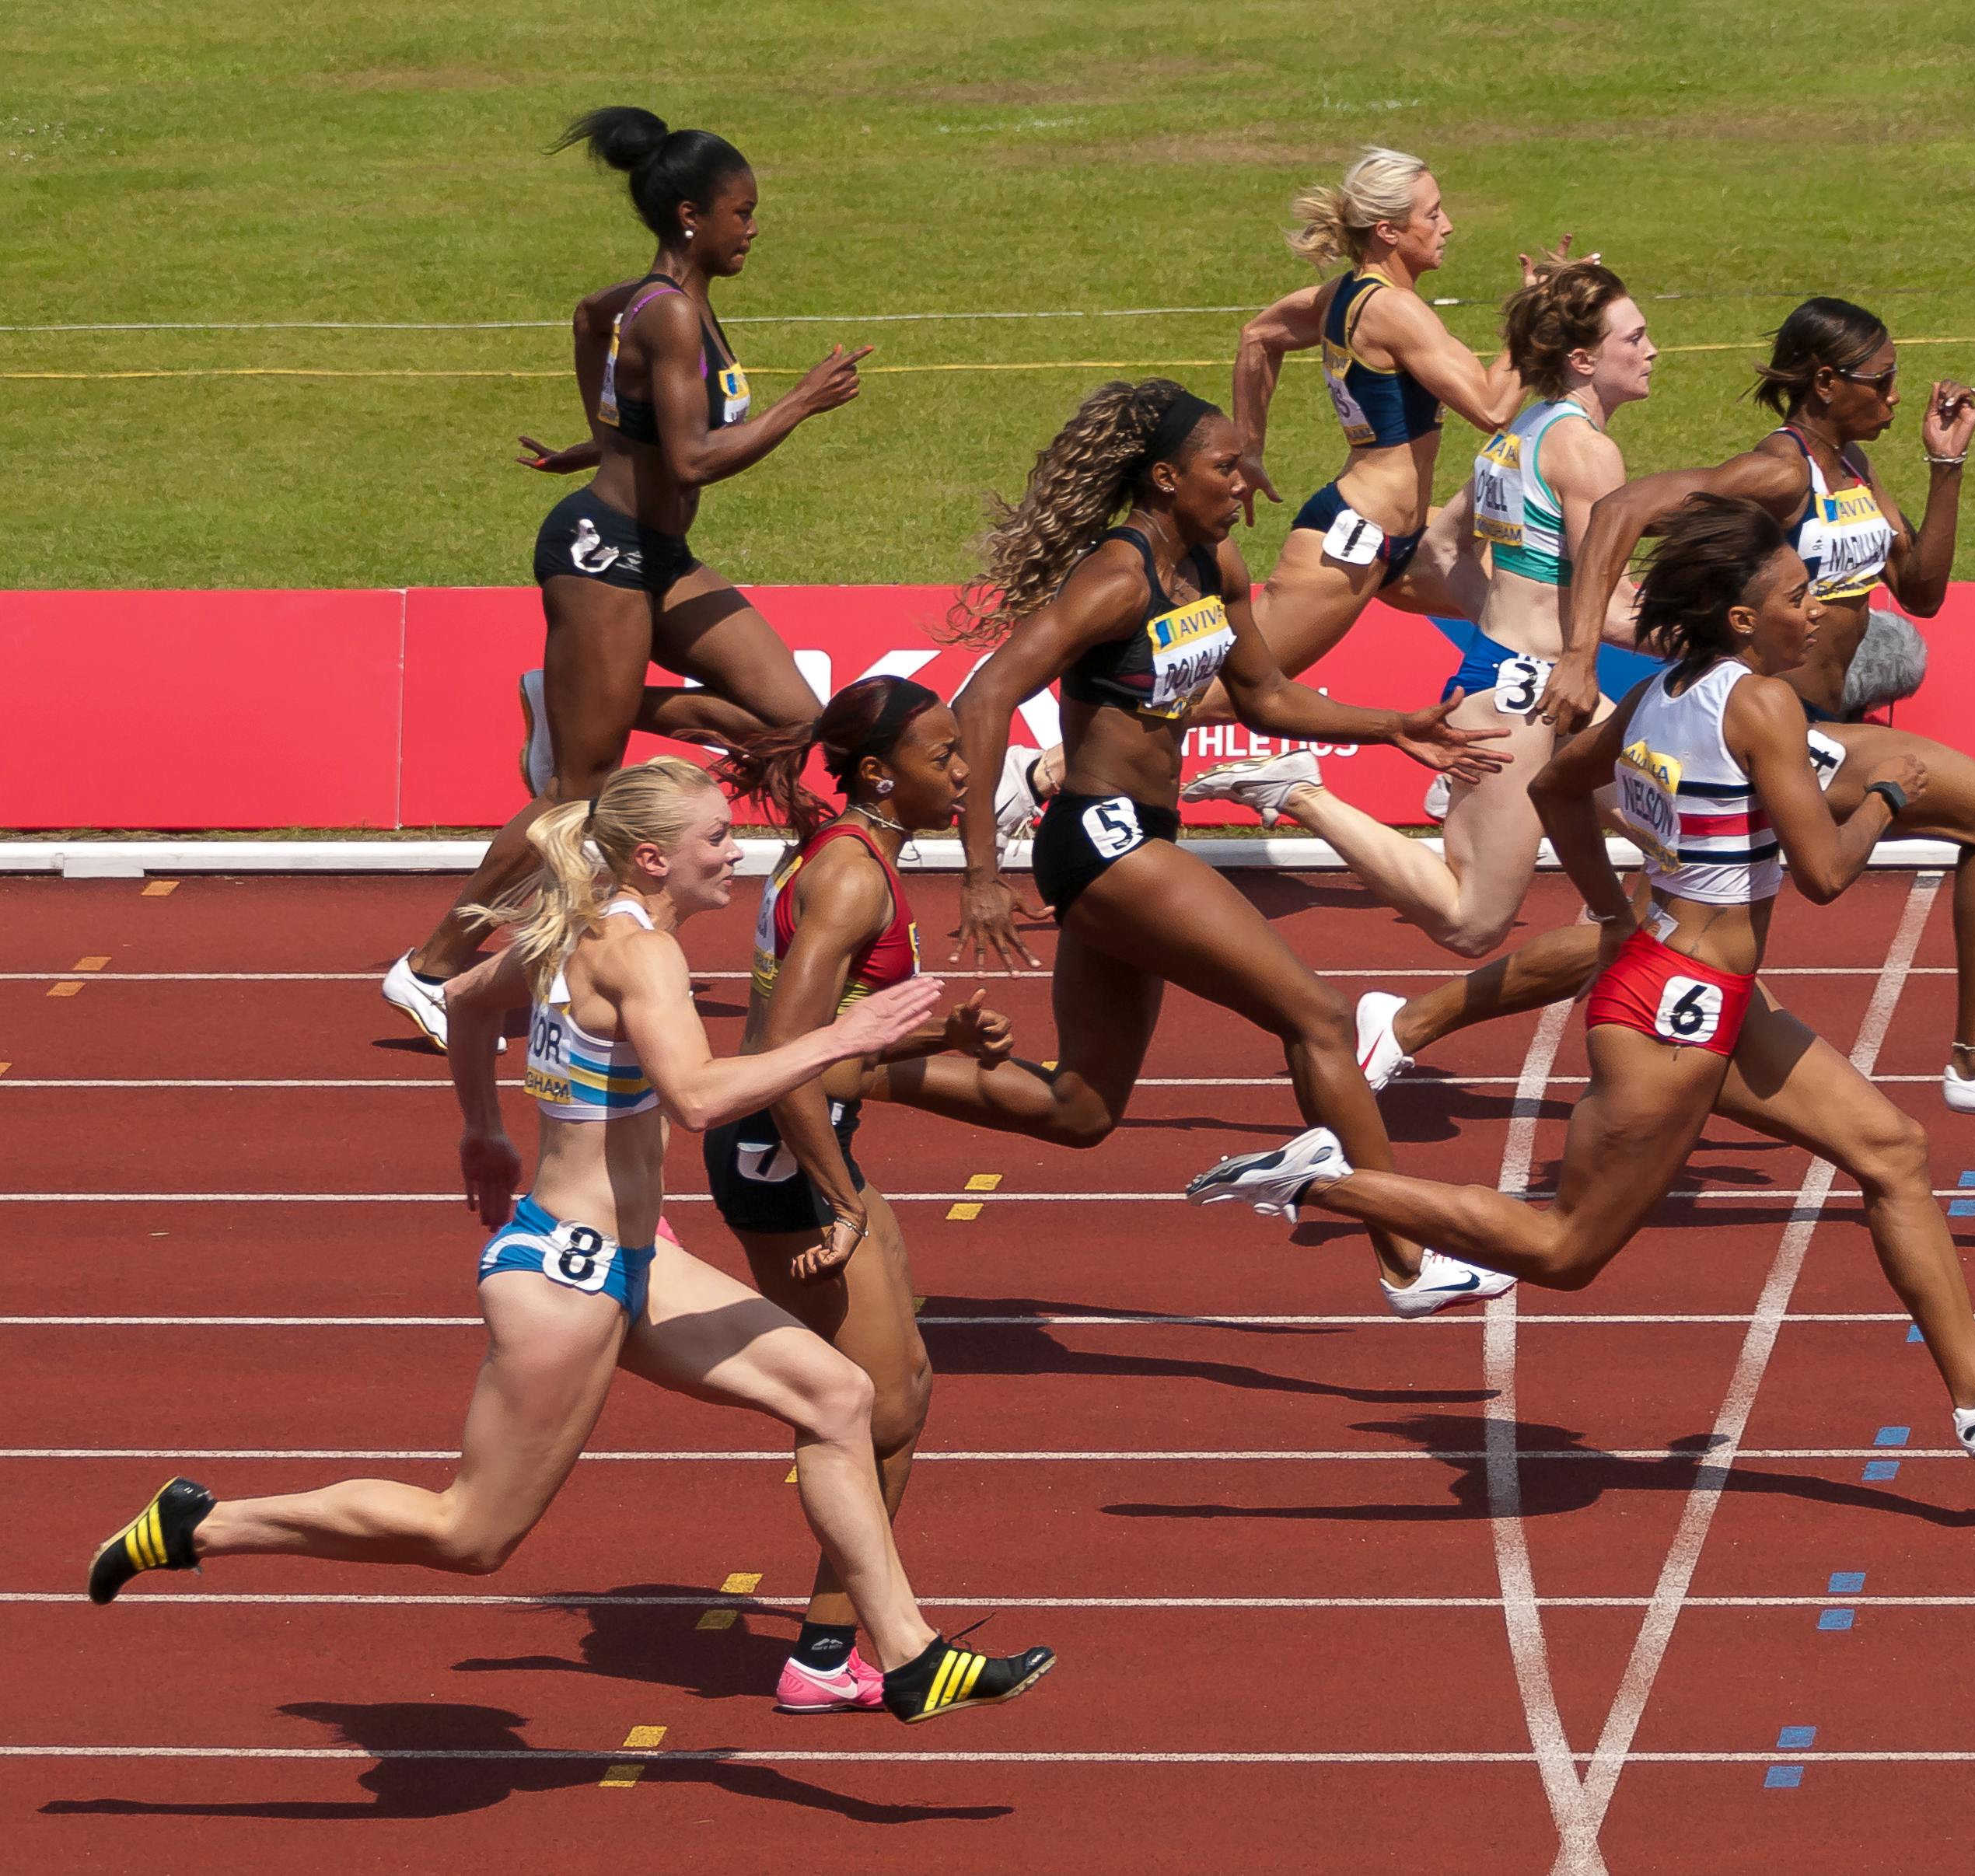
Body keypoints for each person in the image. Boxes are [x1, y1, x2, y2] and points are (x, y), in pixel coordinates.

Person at [95, 760, 1054, 1724]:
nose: (736, 852)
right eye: (715, 838)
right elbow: (697, 1099)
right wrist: (845, 1037)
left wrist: (482, 1129)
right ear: (653, 857)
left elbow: (466, 1000)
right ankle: (202, 1525)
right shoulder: (641, 957)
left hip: (639, 1259)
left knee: (840, 1395)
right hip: (565, 1274)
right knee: (470, 1534)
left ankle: (911, 1655)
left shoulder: (576, 932)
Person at [1189, 497, 1975, 1458]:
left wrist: (1609, 910)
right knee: (1563, 1249)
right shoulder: (1759, 703)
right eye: (1799, 597)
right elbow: (1826, 874)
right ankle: (1327, 1182)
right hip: (1674, 1009)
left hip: (1694, 985)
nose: (1821, 612)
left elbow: (1555, 785)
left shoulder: (1661, 693)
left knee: (1893, 1152)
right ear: (1743, 619)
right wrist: (1887, 796)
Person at [949, 375, 1518, 1318]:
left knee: (1080, 1110)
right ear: (1167, 478)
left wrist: (1390, 726)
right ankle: (1407, 1261)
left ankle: (851, 1070)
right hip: (1099, 839)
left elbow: (1266, 697)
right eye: (1225, 466)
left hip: (1145, 836)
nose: (1246, 480)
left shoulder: (1215, 564)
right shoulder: (1116, 575)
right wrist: (978, 872)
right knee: (1321, 1019)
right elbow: (983, 697)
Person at [1520, 295, 1975, 1123]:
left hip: (1807, 724)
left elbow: (1922, 591)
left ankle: (1408, 1023)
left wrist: (1946, 466)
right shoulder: (1783, 471)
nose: (1897, 397)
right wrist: (1579, 657)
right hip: (1769, 723)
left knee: (1654, 928)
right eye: (1882, 380)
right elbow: (1617, 511)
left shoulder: (1854, 472)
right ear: (1825, 383)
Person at [383, 105, 871, 1051]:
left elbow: (587, 323)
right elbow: (690, 462)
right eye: (742, 211)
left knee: (792, 714)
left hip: (658, 556)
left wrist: (599, 443)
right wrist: (799, 405)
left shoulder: (652, 300)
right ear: (691, 215)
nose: (753, 227)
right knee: (579, 791)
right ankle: (433, 966)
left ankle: (569, 697)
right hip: (602, 554)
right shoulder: (673, 310)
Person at [991, 148, 1550, 830]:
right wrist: (1541, 318)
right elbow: (1491, 408)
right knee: (1234, 688)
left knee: (1530, 615)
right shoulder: (1393, 312)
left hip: (1407, 535)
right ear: (1389, 232)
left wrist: (1249, 452)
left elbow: (1259, 336)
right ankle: (1040, 772)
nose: (1449, 225)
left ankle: (1472, 774)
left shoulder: (1344, 296)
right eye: (1433, 214)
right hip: (1354, 542)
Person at [1185, 260, 1656, 982]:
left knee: (1679, 834)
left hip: (1535, 686)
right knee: (1471, 921)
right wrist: (1724, 636)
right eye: (1637, 336)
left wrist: (1511, 624)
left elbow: (1441, 549)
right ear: (1585, 358)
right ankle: (1296, 789)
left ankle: (1674, 988)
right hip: (1520, 705)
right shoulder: (1588, 453)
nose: (1652, 350)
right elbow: (1617, 609)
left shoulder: (1521, 430)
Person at [705, 676, 1015, 1714]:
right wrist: (837, 1201)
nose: (966, 773)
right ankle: (839, 1652)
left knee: (906, 1390)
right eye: (946, 756)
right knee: (872, 1408)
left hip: (810, 1147)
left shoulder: (855, 856)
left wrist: (939, 1033)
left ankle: (839, 1645)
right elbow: (788, 1057)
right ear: (881, 772)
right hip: (783, 1161)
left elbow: (839, 1030)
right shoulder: (849, 877)